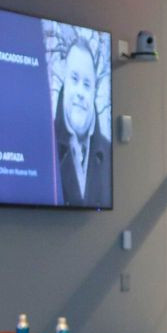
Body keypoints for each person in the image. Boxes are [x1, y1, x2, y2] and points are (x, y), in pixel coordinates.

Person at [54, 37, 112, 207]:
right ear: (65, 81)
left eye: (87, 84)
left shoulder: (108, 152)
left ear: (94, 91)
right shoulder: (43, 145)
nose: (80, 92)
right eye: (74, 79)